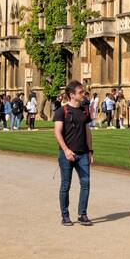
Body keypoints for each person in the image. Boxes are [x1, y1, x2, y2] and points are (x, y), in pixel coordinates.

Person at [54, 80, 93, 227]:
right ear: (72, 95)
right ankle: (65, 215)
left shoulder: (84, 110)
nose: (83, 94)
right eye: (80, 92)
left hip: (83, 153)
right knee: (66, 185)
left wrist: (90, 151)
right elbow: (57, 133)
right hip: (67, 154)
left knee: (85, 184)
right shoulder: (61, 111)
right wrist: (66, 150)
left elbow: (88, 132)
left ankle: (82, 214)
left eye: (83, 92)